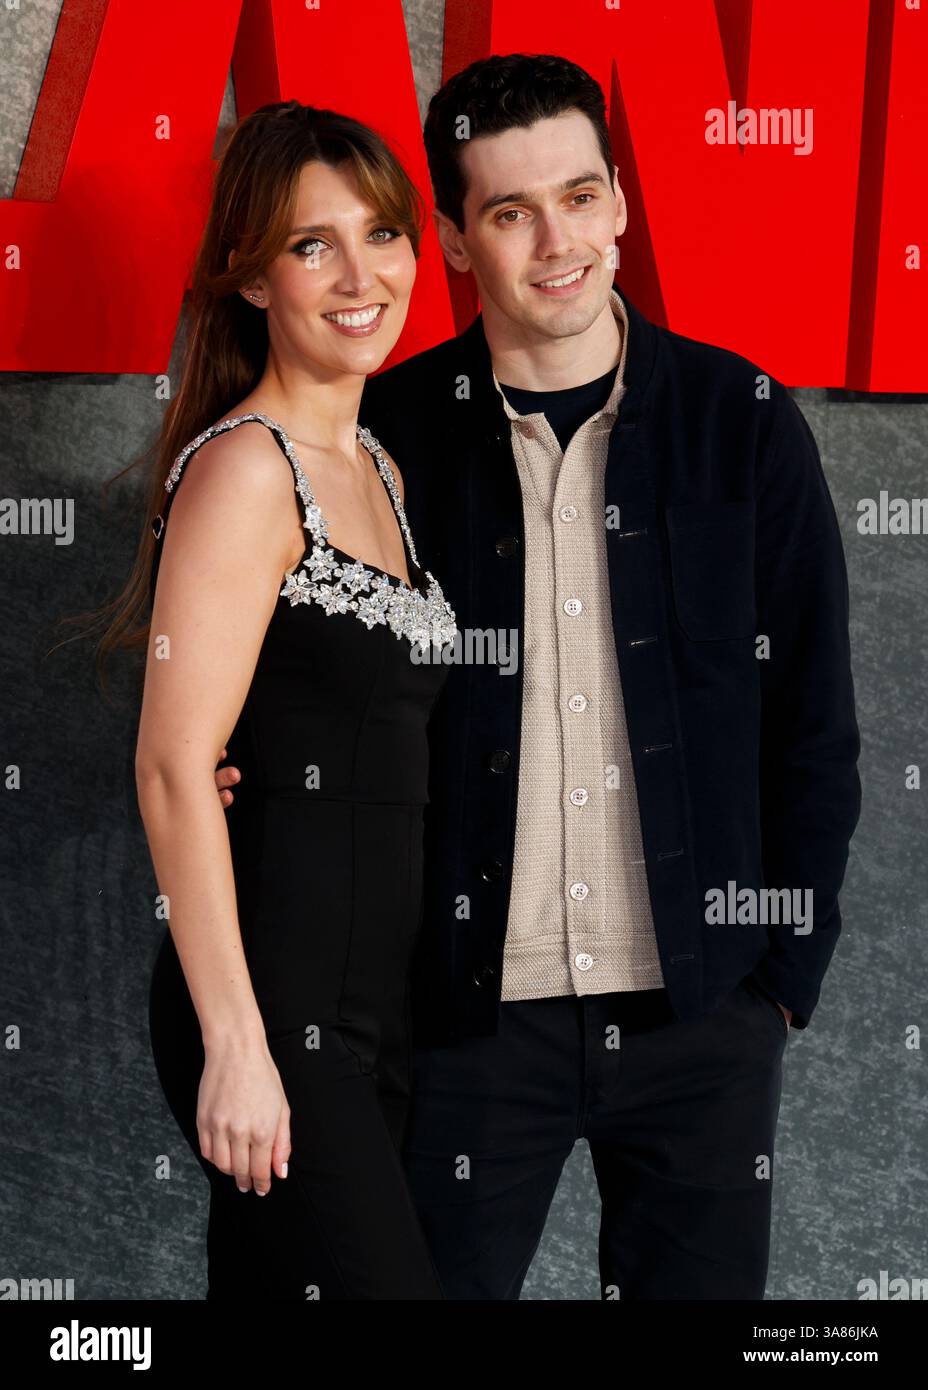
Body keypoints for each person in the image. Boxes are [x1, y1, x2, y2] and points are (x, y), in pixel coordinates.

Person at [215, 54, 862, 1300]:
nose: (555, 240)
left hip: (702, 1019)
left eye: (577, 197)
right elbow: (290, 666)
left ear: (619, 200)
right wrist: (252, 770)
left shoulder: (745, 420)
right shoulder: (385, 436)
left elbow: (815, 728)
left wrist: (779, 980)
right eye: (509, 213)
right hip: (458, 1023)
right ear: (454, 240)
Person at [119, 101, 455, 1299]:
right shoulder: (242, 469)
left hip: (383, 1008)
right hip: (274, 1009)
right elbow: (172, 767)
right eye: (314, 245)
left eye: (382, 233)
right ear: (252, 278)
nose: (361, 276)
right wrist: (238, 1045)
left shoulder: (379, 467)